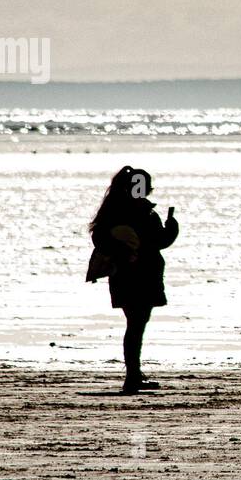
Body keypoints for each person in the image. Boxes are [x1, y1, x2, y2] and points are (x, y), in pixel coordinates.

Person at [87, 166, 179, 394]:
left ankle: (134, 374)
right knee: (136, 325)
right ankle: (132, 377)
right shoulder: (143, 212)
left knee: (134, 324)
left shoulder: (112, 212)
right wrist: (172, 230)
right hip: (143, 274)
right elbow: (159, 241)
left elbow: (99, 239)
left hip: (123, 274)